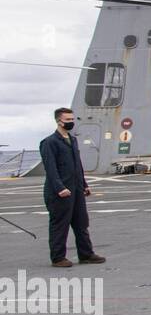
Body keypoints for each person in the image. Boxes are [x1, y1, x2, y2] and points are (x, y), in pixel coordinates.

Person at [38, 108, 105, 268]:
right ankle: (58, 258)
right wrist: (59, 188)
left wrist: (84, 184)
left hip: (76, 189)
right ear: (58, 121)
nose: (71, 122)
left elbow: (77, 165)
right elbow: (50, 168)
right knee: (60, 225)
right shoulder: (49, 142)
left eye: (72, 119)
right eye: (67, 120)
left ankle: (86, 254)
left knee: (81, 223)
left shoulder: (72, 140)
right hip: (59, 193)